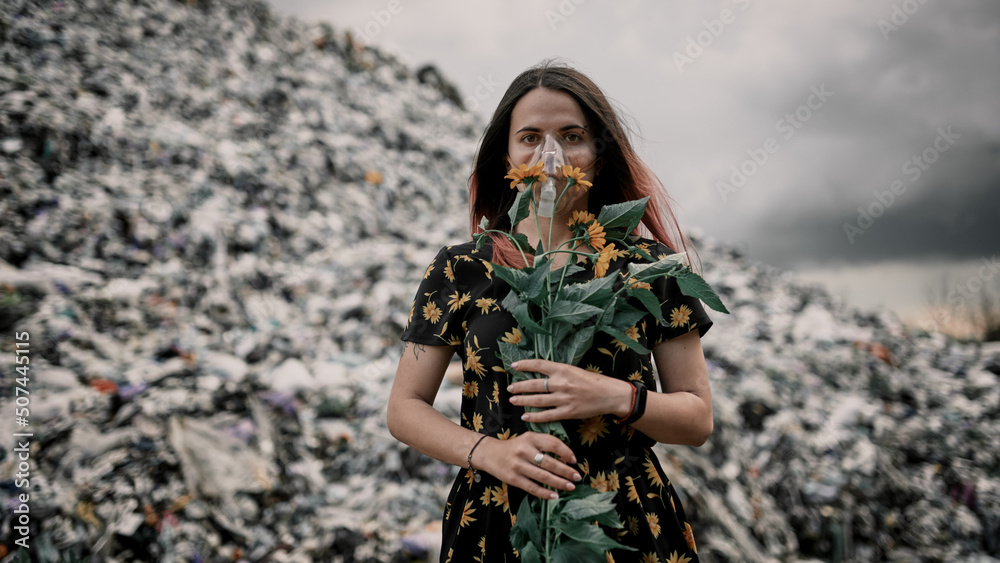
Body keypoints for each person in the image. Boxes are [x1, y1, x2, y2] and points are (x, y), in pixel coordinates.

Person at [387, 61, 713, 562]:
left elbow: (696, 418)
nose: (552, 156)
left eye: (572, 136)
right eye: (531, 138)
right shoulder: (463, 268)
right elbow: (404, 408)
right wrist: (490, 452)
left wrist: (614, 395)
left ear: (599, 156)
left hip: (619, 520)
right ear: (507, 157)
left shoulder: (644, 270)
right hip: (498, 520)